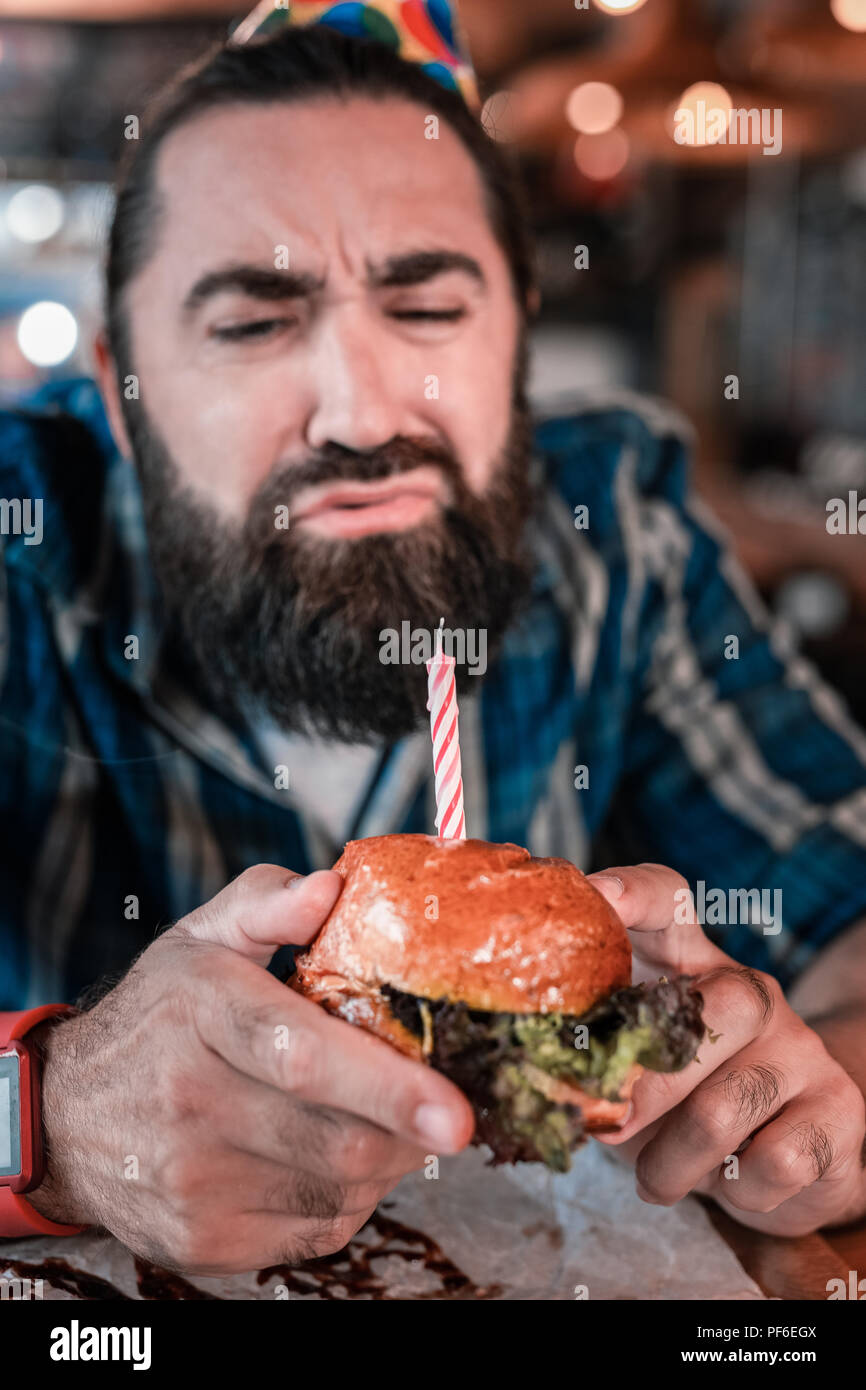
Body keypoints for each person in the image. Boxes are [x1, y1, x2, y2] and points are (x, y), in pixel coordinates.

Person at [2, 24, 865, 1274]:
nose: (362, 414)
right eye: (252, 321)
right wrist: (50, 1111)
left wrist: (817, 1095)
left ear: (514, 344)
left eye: (425, 304)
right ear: (117, 392)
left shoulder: (607, 524)